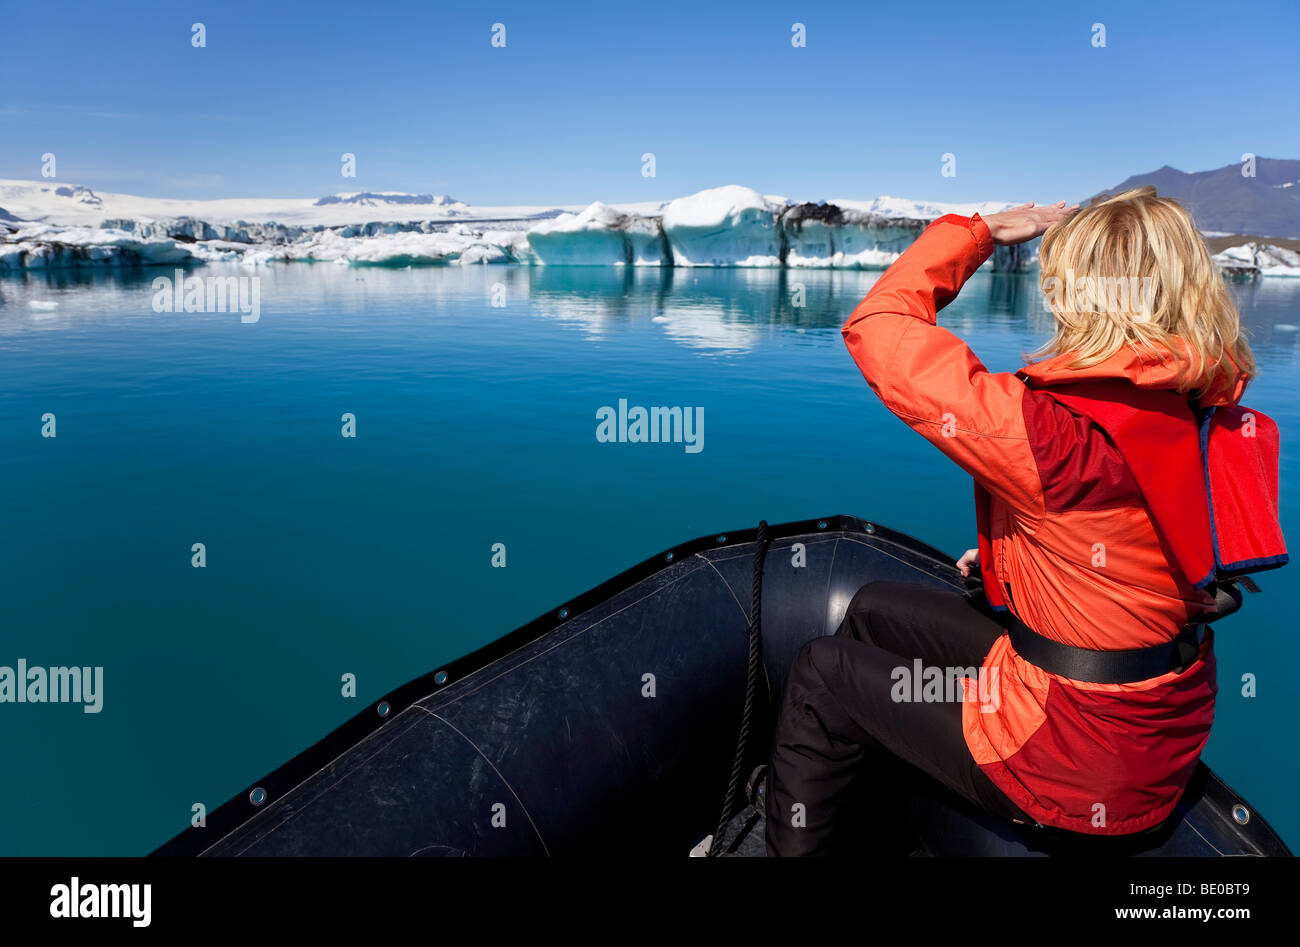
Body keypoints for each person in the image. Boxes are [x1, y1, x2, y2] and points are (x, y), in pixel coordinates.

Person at [764, 188, 1287, 856]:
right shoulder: (1210, 408)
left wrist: (977, 231)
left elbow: (880, 327)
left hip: (1070, 753)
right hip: (1154, 722)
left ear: (1083, 293)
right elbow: (1164, 557)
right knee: (872, 609)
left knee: (819, 674)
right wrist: (1019, 555)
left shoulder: (1052, 433)